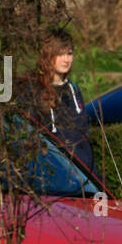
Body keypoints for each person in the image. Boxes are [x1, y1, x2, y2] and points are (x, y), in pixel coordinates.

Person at [29, 26, 95, 171]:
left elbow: (83, 133)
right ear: (48, 55)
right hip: (54, 172)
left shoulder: (74, 89)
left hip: (83, 171)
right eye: (60, 54)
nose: (66, 59)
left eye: (69, 53)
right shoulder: (35, 90)